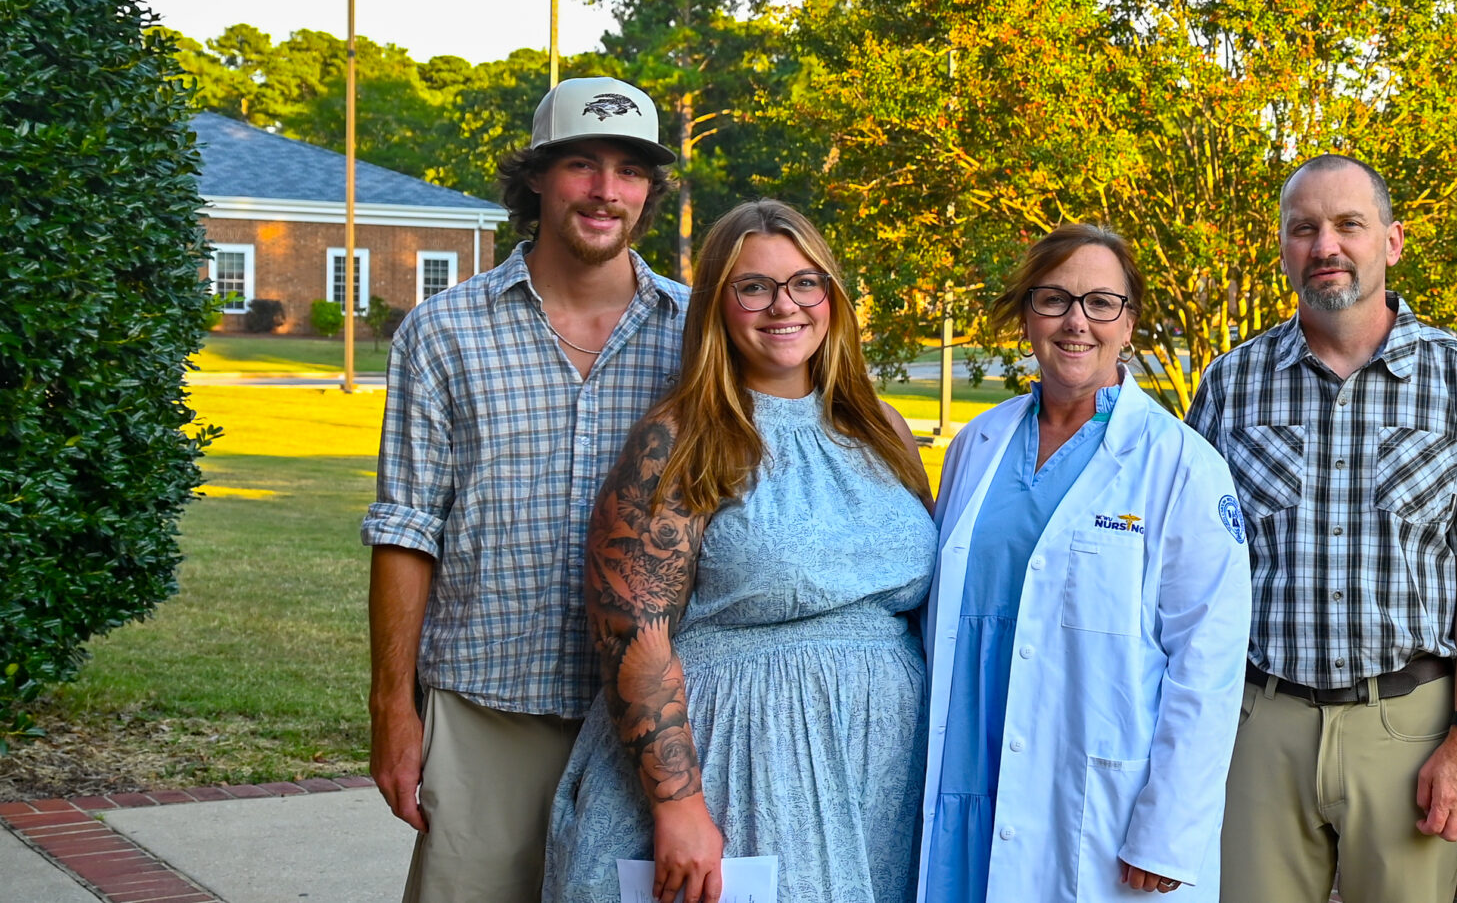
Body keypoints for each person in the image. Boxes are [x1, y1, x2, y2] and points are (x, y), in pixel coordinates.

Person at [544, 199, 936, 903]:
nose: (784, 305)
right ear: (717, 306)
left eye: (805, 283)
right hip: (742, 757)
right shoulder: (681, 440)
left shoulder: (882, 429)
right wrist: (678, 807)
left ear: (832, 296)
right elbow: (631, 634)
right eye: (754, 286)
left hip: (884, 767)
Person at [362, 76, 687, 903]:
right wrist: (392, 710)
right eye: (582, 164)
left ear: (650, 189)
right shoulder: (444, 331)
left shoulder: (698, 338)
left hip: (654, 720)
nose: (606, 190)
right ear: (537, 175)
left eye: (630, 170)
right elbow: (406, 529)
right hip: (487, 707)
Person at [1185, 154, 1457, 903]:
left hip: (1409, 730)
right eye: (1304, 228)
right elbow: (1187, 568)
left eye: (1348, 225)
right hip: (1256, 726)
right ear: (1283, 247)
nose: (1325, 245)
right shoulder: (1230, 385)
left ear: (1391, 242)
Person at [916, 224, 1252, 903]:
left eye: (1101, 302)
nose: (1076, 321)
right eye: (1054, 300)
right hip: (965, 768)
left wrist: (1170, 829)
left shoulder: (1181, 465)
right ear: (1027, 317)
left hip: (1096, 805)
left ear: (1128, 323)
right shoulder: (978, 444)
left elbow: (1208, 663)